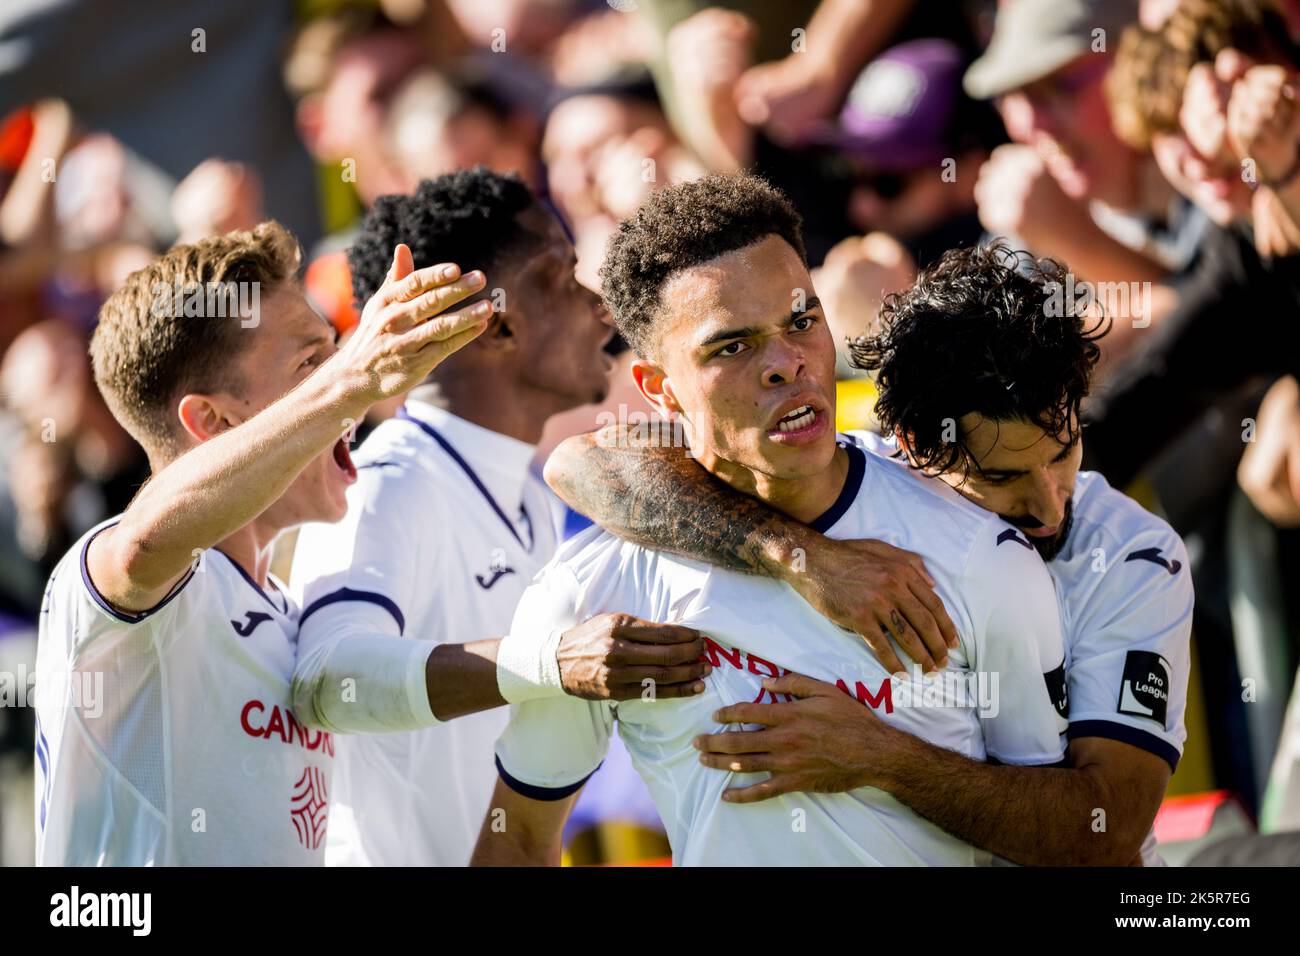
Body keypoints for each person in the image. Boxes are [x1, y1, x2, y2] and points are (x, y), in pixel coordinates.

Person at [471, 173, 1070, 867]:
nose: (787, 364)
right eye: (732, 347)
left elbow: (1071, 837)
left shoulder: (976, 553)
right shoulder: (594, 592)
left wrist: (884, 760)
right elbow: (514, 839)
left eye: (802, 322)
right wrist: (797, 558)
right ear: (658, 389)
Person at [545, 236, 1195, 865]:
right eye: (1000, 479)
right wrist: (798, 555)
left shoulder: (1135, 556)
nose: (1052, 508)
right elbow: (581, 462)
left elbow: (1101, 834)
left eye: (1065, 452)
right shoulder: (857, 477)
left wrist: (878, 756)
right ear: (914, 446)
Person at [32, 221, 491, 864]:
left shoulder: (287, 613)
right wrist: (354, 378)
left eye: (338, 354)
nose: (347, 389)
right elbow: (143, 545)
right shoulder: (129, 578)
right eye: (311, 362)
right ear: (211, 422)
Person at [288, 169, 710, 866]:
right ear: (501, 322)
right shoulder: (386, 482)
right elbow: (327, 683)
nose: (597, 305)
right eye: (562, 275)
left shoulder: (536, 499)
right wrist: (547, 662)